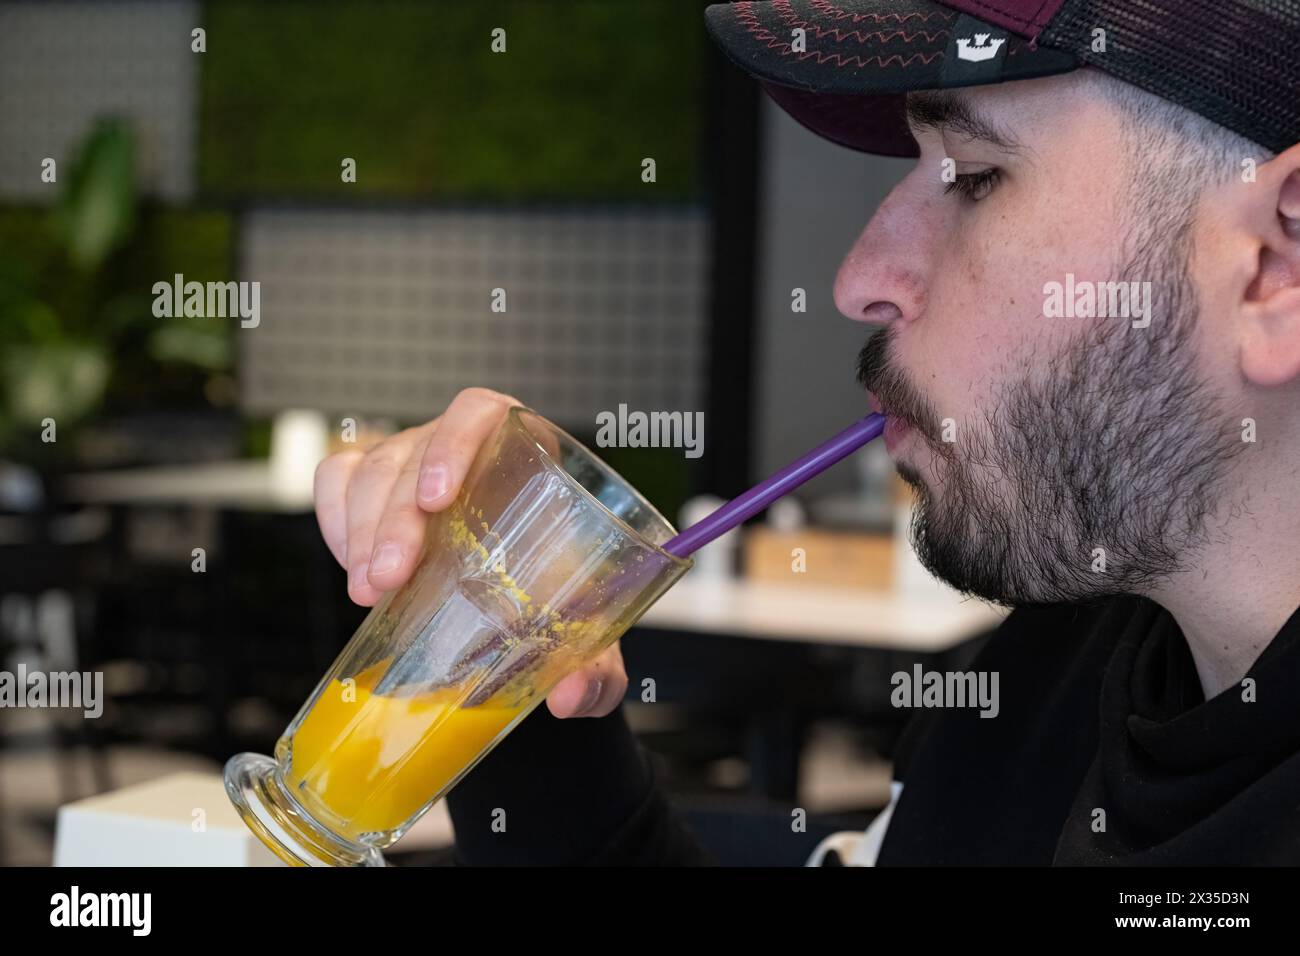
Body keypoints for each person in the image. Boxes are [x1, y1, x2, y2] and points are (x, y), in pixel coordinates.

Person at [311, 0, 1300, 865]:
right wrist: (513, 685)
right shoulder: (1052, 671)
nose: (858, 277)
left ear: (1273, 270)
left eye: (975, 173)